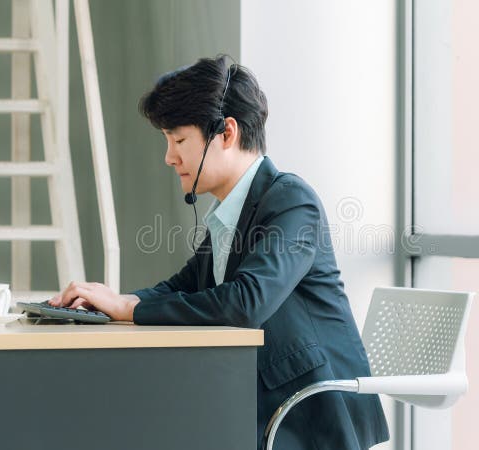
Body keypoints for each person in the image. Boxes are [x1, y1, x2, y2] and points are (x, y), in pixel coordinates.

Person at [49, 55, 389, 450]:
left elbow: (246, 302)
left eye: (178, 141)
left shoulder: (293, 202)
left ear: (226, 133)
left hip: (312, 417)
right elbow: (186, 284)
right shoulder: (233, 212)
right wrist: (112, 302)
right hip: (260, 407)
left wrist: (131, 310)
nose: (169, 157)